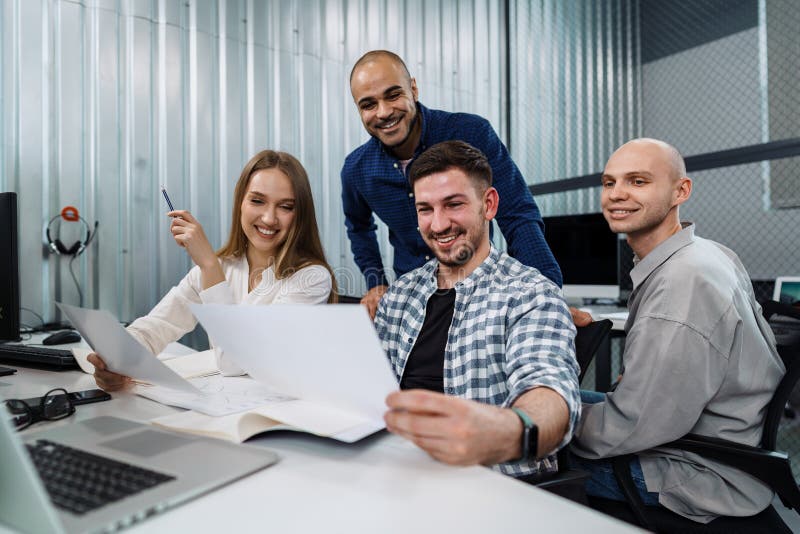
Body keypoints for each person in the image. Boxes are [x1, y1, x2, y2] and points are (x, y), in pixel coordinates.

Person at [570, 138, 785, 523]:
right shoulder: (705, 252)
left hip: (697, 468)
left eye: (637, 181)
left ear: (680, 190)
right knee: (564, 398)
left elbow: (633, 425)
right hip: (724, 433)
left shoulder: (681, 283)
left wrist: (540, 425)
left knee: (523, 450)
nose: (617, 195)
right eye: (608, 183)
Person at [376, 140, 580, 481]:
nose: (438, 225)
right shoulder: (400, 296)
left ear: (489, 204)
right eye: (426, 209)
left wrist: (509, 430)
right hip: (397, 472)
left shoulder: (530, 294)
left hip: (489, 487)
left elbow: (550, 390)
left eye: (453, 205)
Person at [343, 50, 562, 319]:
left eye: (393, 95)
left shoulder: (471, 133)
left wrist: (547, 294)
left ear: (413, 88)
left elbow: (517, 214)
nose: (384, 112)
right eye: (368, 104)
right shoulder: (356, 169)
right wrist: (375, 281)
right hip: (411, 304)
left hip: (479, 295)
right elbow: (358, 227)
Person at [89, 150, 336, 389]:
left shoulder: (311, 279)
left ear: (299, 214)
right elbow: (156, 327)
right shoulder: (222, 267)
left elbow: (235, 363)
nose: (269, 218)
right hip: (224, 408)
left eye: (286, 206)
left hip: (281, 416)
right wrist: (117, 361)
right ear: (241, 202)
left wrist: (209, 265)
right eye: (258, 201)